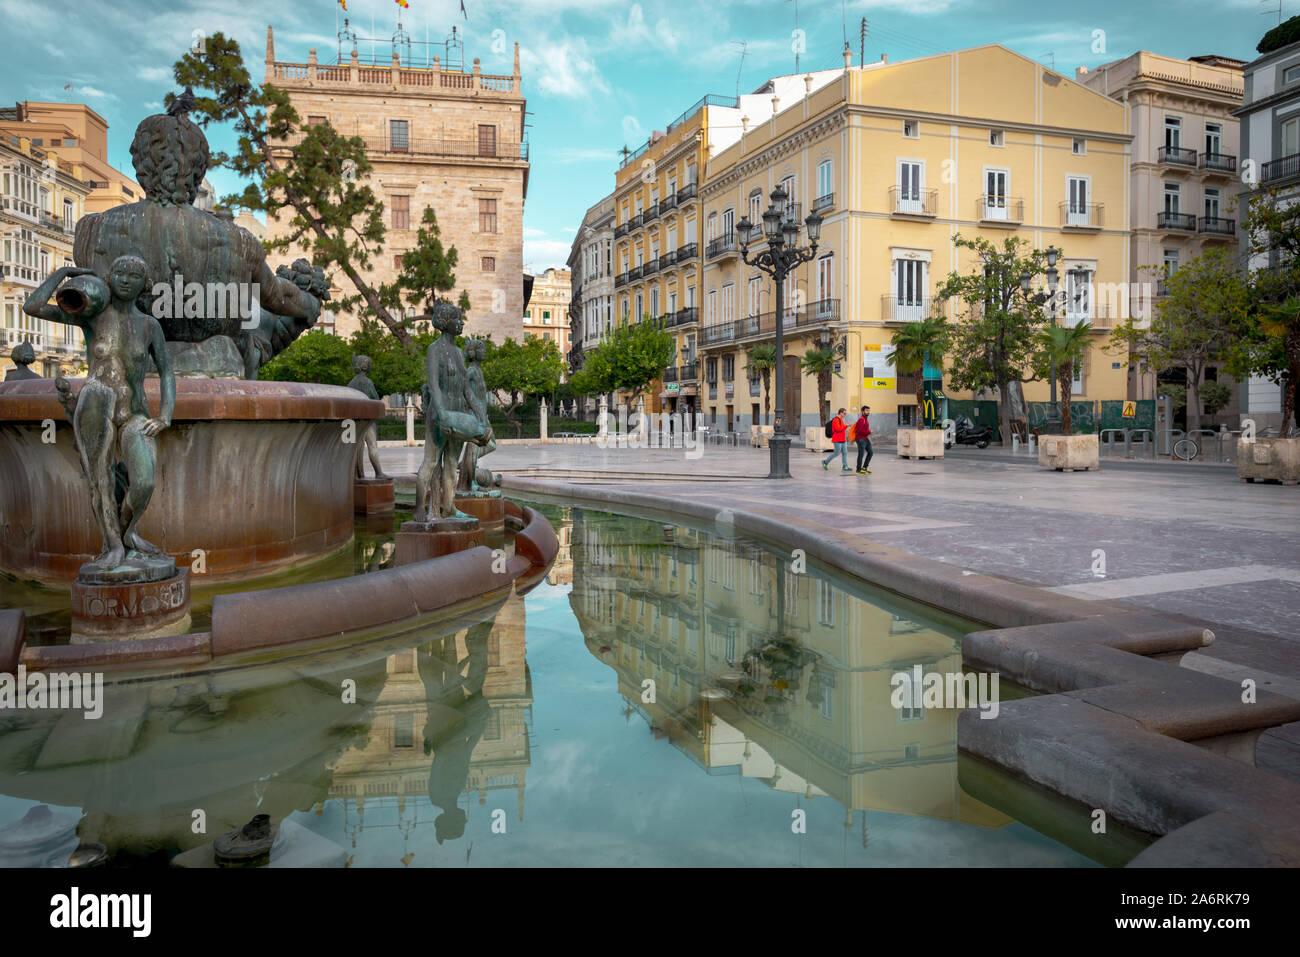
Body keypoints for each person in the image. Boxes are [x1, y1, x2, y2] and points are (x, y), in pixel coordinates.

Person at [853, 405, 874, 474]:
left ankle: (864, 468)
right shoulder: (861, 419)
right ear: (863, 411)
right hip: (860, 439)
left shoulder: (865, 419)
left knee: (870, 452)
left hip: (865, 438)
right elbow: (859, 431)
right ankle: (858, 470)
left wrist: (868, 432)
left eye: (869, 410)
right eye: (867, 411)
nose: (868, 412)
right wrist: (869, 432)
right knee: (861, 454)